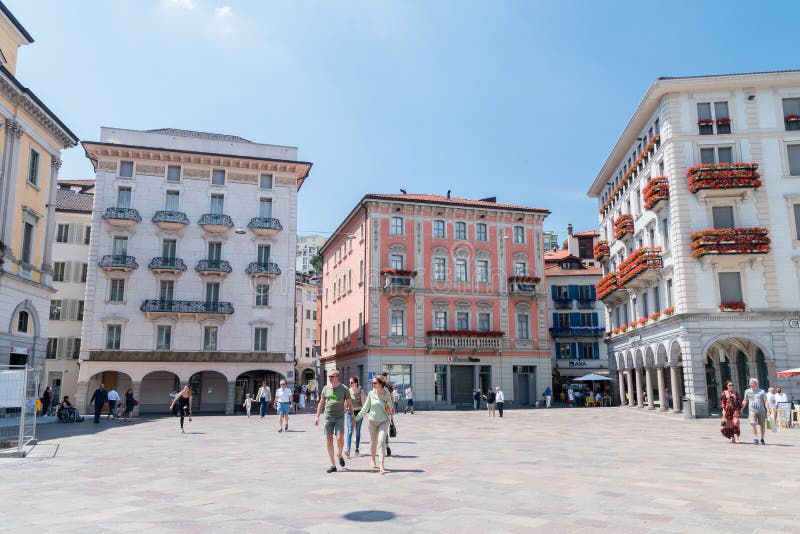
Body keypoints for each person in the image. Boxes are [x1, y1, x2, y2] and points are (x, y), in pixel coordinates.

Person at [315, 370, 353, 473]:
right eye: (329, 376)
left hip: (339, 416)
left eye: (332, 376)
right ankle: (333, 465)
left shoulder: (344, 388)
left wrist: (353, 416)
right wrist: (317, 416)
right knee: (329, 438)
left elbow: (349, 403)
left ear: (337, 377)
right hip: (328, 416)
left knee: (340, 438)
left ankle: (339, 454)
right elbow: (321, 402)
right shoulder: (326, 388)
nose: (330, 378)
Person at [356, 374, 392, 475]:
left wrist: (386, 402)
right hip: (372, 421)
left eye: (375, 383)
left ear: (380, 384)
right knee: (373, 443)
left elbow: (390, 407)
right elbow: (365, 408)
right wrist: (356, 418)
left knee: (381, 442)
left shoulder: (386, 393)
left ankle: (381, 466)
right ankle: (372, 459)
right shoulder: (371, 394)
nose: (373, 384)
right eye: (372, 383)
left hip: (384, 421)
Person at [740, 378, 768, 445]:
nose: (749, 384)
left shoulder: (762, 391)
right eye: (749, 383)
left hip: (761, 410)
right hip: (752, 410)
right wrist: (741, 408)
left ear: (756, 383)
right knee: (753, 423)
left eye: (751, 383)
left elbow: (766, 401)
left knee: (762, 425)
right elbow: (745, 400)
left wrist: (768, 411)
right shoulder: (747, 391)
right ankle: (755, 438)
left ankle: (762, 438)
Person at [345, 376, 366, 457]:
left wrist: (364, 413)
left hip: (359, 412)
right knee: (350, 431)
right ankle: (348, 450)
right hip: (350, 413)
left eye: (351, 382)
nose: (350, 384)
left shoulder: (360, 391)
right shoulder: (348, 391)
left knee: (357, 431)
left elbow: (364, 403)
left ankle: (357, 448)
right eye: (349, 382)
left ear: (356, 383)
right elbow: (345, 404)